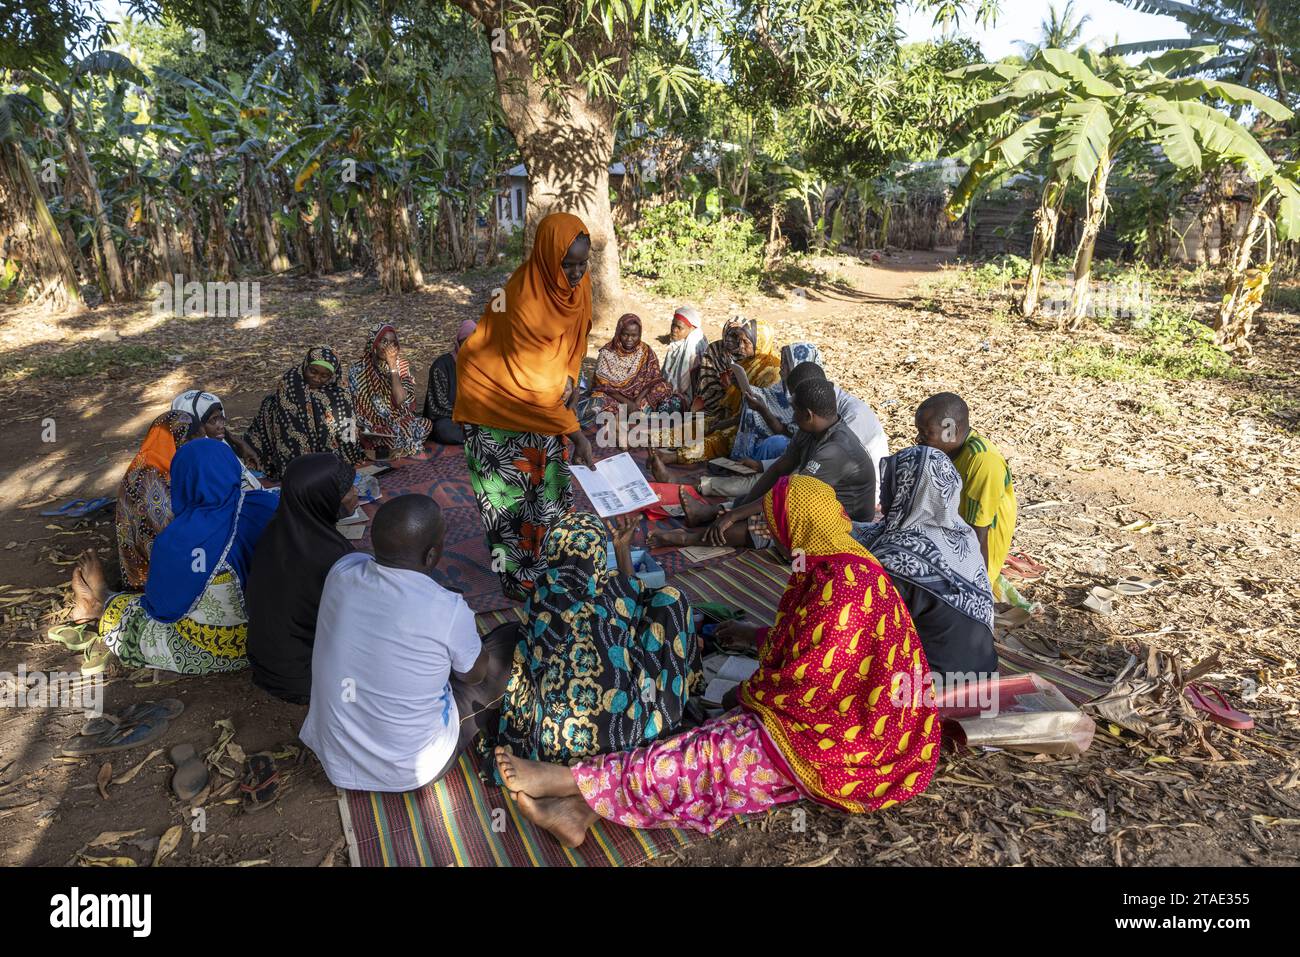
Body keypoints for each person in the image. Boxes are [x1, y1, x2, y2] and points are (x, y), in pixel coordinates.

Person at [492, 475, 941, 847]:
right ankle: (581, 807)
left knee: (712, 758)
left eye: (775, 525)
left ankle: (572, 782)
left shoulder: (840, 584)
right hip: (840, 720)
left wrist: (747, 694)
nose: (772, 536)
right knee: (708, 745)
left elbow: (809, 683)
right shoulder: (830, 566)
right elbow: (810, 644)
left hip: (857, 745)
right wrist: (754, 644)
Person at [299, 495, 516, 791]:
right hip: (412, 766)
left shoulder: (343, 570)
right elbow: (474, 675)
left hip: (336, 758)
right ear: (431, 556)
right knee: (510, 641)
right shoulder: (447, 609)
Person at [453, 211, 596, 601]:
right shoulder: (522, 302)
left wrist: (570, 379)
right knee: (508, 501)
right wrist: (577, 434)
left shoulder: (578, 290)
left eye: (584, 263)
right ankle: (517, 580)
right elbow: (534, 389)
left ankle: (548, 569)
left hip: (543, 403)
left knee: (546, 490)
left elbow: (577, 341)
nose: (578, 274)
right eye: (568, 265)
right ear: (549, 259)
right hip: (495, 404)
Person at [495, 512, 701, 768]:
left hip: (554, 744)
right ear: (599, 555)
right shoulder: (614, 587)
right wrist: (621, 549)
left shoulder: (541, 592)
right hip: (623, 739)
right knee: (670, 600)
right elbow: (639, 604)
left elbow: (524, 665)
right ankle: (677, 703)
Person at [70, 440, 279, 674]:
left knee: (134, 617)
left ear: (181, 481)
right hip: (274, 636)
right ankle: (102, 599)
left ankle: (101, 601)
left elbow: (162, 609)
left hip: (216, 653)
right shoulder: (268, 506)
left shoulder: (178, 540)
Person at [652, 377, 876, 549]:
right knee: (758, 502)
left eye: (795, 410)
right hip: (813, 503)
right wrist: (740, 509)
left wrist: (735, 516)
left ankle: (690, 539)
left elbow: (790, 497)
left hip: (846, 523)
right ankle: (708, 515)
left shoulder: (835, 450)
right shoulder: (810, 430)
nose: (792, 416)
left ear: (808, 414)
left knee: (776, 521)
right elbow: (779, 470)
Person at [854, 446, 997, 678]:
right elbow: (871, 531)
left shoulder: (897, 558)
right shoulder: (963, 536)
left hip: (936, 683)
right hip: (984, 670)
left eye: (891, 484)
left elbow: (863, 625)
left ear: (906, 490)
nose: (882, 496)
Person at [245, 454, 359, 704]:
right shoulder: (335, 558)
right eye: (347, 489)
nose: (356, 492)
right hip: (306, 678)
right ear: (322, 498)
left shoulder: (275, 531)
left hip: (266, 665)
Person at [915, 392, 1017, 594]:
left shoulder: (982, 461)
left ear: (950, 430)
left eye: (926, 434)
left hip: (976, 556)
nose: (919, 439)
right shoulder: (948, 452)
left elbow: (978, 533)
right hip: (955, 541)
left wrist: (979, 591)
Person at [657, 316, 782, 465]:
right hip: (730, 415)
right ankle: (653, 438)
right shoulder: (748, 362)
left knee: (718, 440)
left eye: (746, 342)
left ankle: (675, 457)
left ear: (759, 343)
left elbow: (759, 413)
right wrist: (734, 388)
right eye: (739, 341)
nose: (740, 346)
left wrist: (725, 423)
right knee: (698, 426)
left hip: (750, 427)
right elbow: (731, 399)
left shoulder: (772, 371)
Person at [244, 346, 365, 480]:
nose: (317, 378)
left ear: (332, 376)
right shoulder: (291, 383)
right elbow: (291, 431)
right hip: (292, 445)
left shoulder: (339, 391)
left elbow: (348, 429)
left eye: (324, 376)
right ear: (305, 365)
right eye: (313, 371)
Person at [115, 411, 197, 589]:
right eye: (191, 440)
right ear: (179, 440)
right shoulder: (154, 482)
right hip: (153, 577)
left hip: (135, 566)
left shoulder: (143, 463)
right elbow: (170, 538)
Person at [347, 322, 432, 459]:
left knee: (425, 424)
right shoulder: (357, 370)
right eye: (383, 341)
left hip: (398, 423)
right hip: (372, 427)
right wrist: (371, 427)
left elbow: (400, 401)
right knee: (354, 433)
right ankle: (393, 448)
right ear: (373, 344)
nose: (388, 347)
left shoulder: (401, 366)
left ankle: (388, 449)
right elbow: (356, 409)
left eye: (392, 342)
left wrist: (393, 367)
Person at [587, 313, 684, 420]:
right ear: (618, 333)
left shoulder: (645, 351)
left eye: (634, 335)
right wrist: (628, 403)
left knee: (663, 387)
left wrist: (637, 402)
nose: (629, 339)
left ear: (640, 334)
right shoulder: (607, 352)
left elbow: (653, 379)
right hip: (614, 397)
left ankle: (636, 413)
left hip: (640, 396)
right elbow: (603, 385)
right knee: (598, 399)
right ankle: (633, 416)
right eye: (625, 334)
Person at [170, 389, 262, 489]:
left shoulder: (213, 441)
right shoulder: (200, 459)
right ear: (195, 426)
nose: (221, 426)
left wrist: (236, 441)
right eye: (213, 420)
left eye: (221, 418)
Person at [422, 320, 477, 445]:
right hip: (449, 419)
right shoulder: (441, 366)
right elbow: (437, 406)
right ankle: (477, 438)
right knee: (444, 430)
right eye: (466, 343)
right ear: (459, 343)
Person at [659, 304, 707, 402]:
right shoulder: (677, 343)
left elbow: (684, 385)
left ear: (691, 329)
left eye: (679, 327)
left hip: (689, 398)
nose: (674, 330)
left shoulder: (692, 347)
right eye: (673, 325)